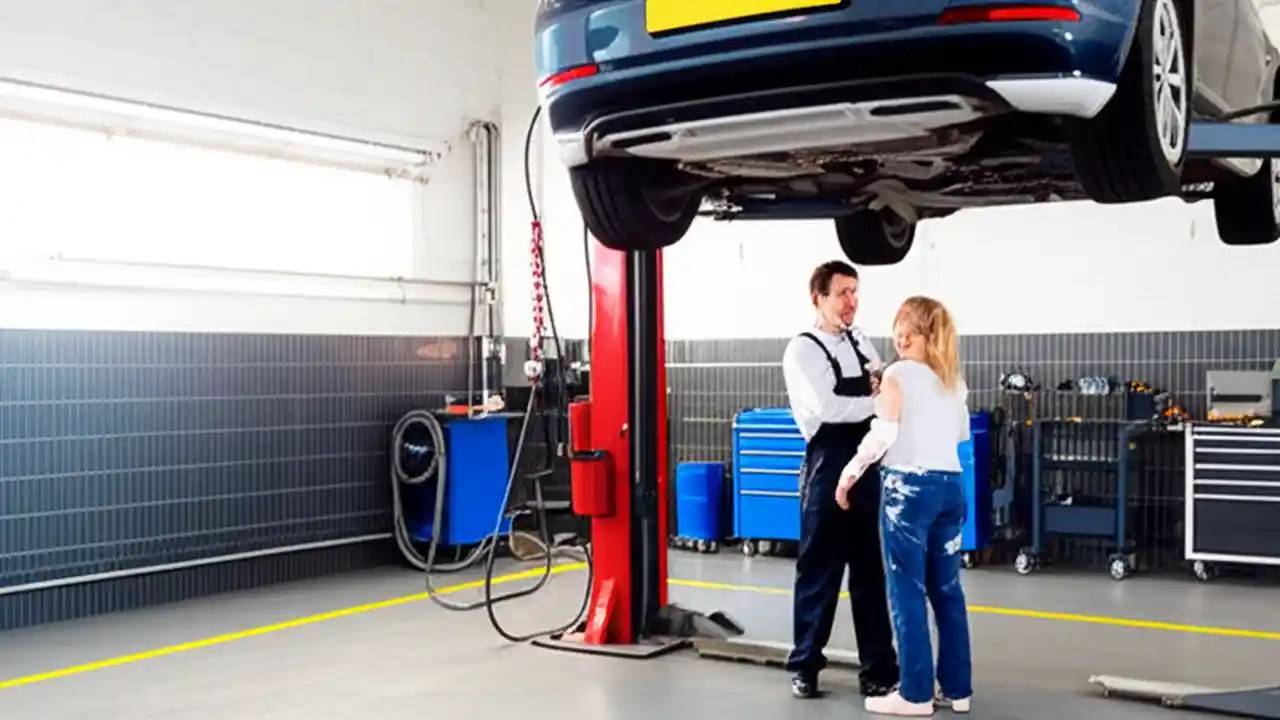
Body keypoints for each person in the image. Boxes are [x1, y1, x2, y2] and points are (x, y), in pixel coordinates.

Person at [836, 295, 974, 717]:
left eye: (901, 331)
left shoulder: (897, 374)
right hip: (950, 489)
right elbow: (960, 437)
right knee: (947, 590)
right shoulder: (952, 380)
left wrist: (849, 475)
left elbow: (884, 434)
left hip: (907, 492)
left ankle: (914, 694)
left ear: (910, 333)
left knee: (907, 591)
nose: (897, 338)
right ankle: (957, 689)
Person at [781, 260, 900, 700]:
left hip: (866, 466)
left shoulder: (861, 341)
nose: (852, 301)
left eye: (855, 292)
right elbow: (829, 409)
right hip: (827, 464)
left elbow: (883, 380)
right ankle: (805, 667)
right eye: (842, 293)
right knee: (819, 570)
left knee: (871, 572)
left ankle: (879, 671)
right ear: (819, 297)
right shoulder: (803, 349)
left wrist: (878, 393)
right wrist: (874, 402)